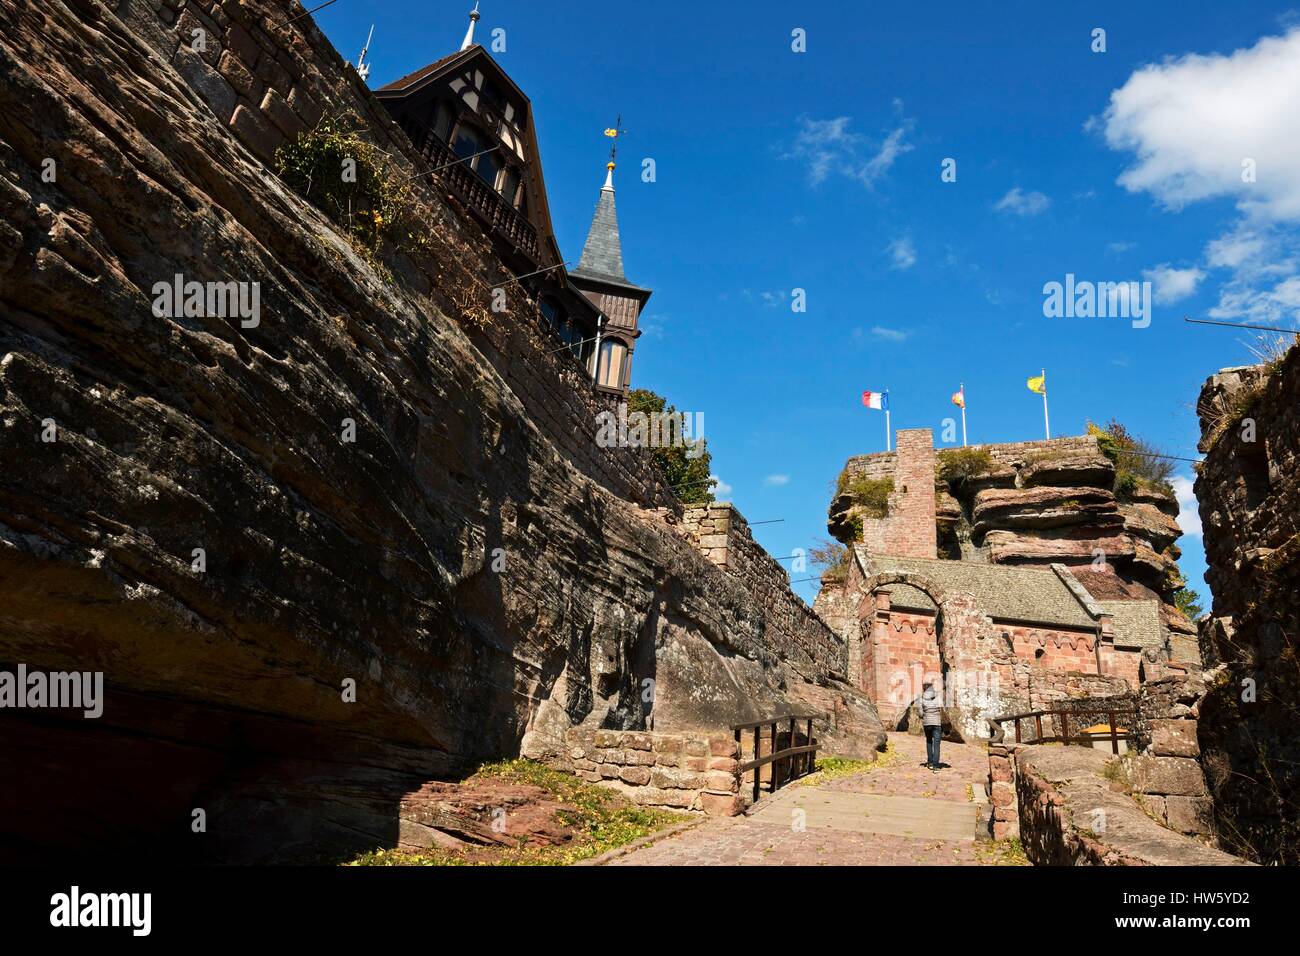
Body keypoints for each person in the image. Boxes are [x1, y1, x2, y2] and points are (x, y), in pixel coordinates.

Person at [920, 679, 943, 771]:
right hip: (937, 723)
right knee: (937, 745)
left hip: (927, 723)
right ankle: (936, 766)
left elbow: (920, 713)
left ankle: (930, 762)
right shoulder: (938, 697)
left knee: (929, 742)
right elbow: (942, 708)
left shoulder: (921, 698)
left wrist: (926, 714)